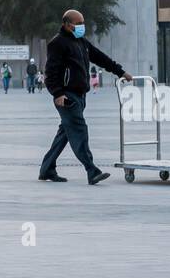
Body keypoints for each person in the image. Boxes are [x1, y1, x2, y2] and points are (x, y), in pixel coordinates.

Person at [38, 10, 133, 185]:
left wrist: (120, 71)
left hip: (80, 95)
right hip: (67, 96)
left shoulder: (80, 41)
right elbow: (50, 72)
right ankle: (92, 170)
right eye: (78, 23)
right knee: (80, 131)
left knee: (65, 133)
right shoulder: (57, 43)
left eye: (83, 23)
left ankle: (47, 169)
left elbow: (100, 58)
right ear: (67, 24)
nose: (82, 26)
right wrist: (58, 93)